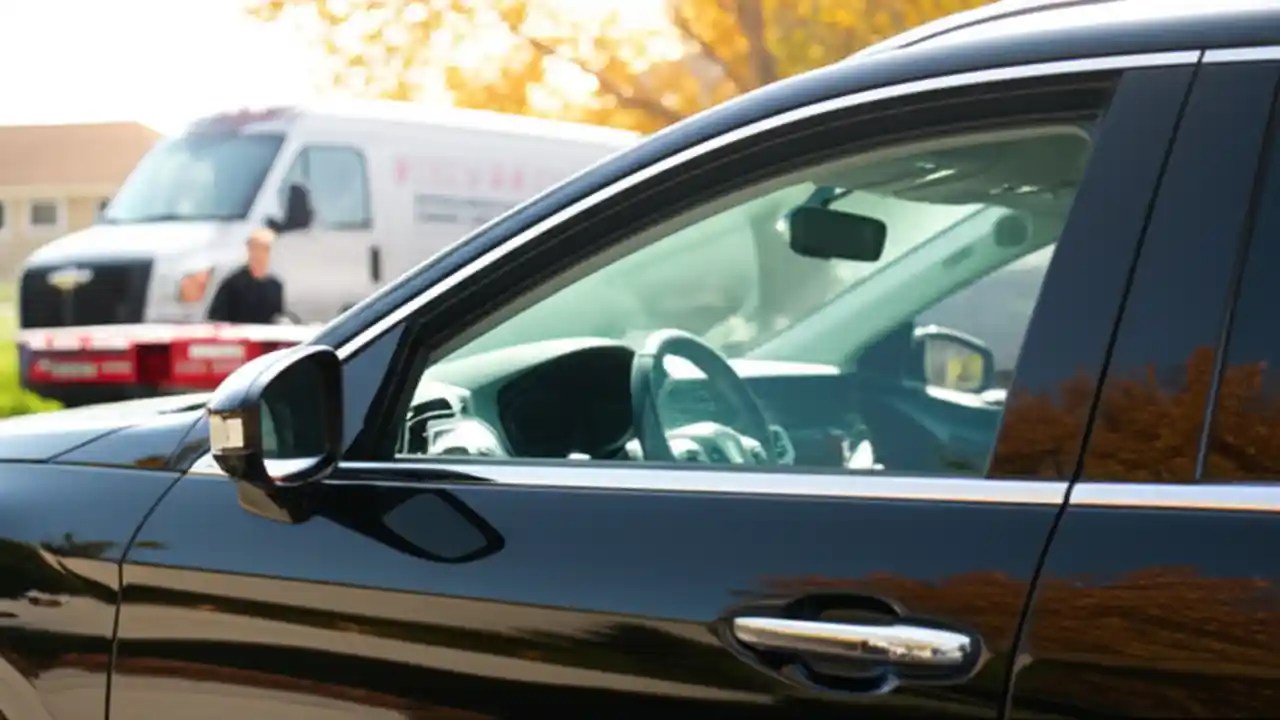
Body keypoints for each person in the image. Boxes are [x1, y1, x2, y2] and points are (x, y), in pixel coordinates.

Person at [207, 228, 285, 324]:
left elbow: (277, 318)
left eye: (265, 249)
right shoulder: (233, 283)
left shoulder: (275, 286)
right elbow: (217, 318)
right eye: (256, 248)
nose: (260, 254)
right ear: (249, 250)